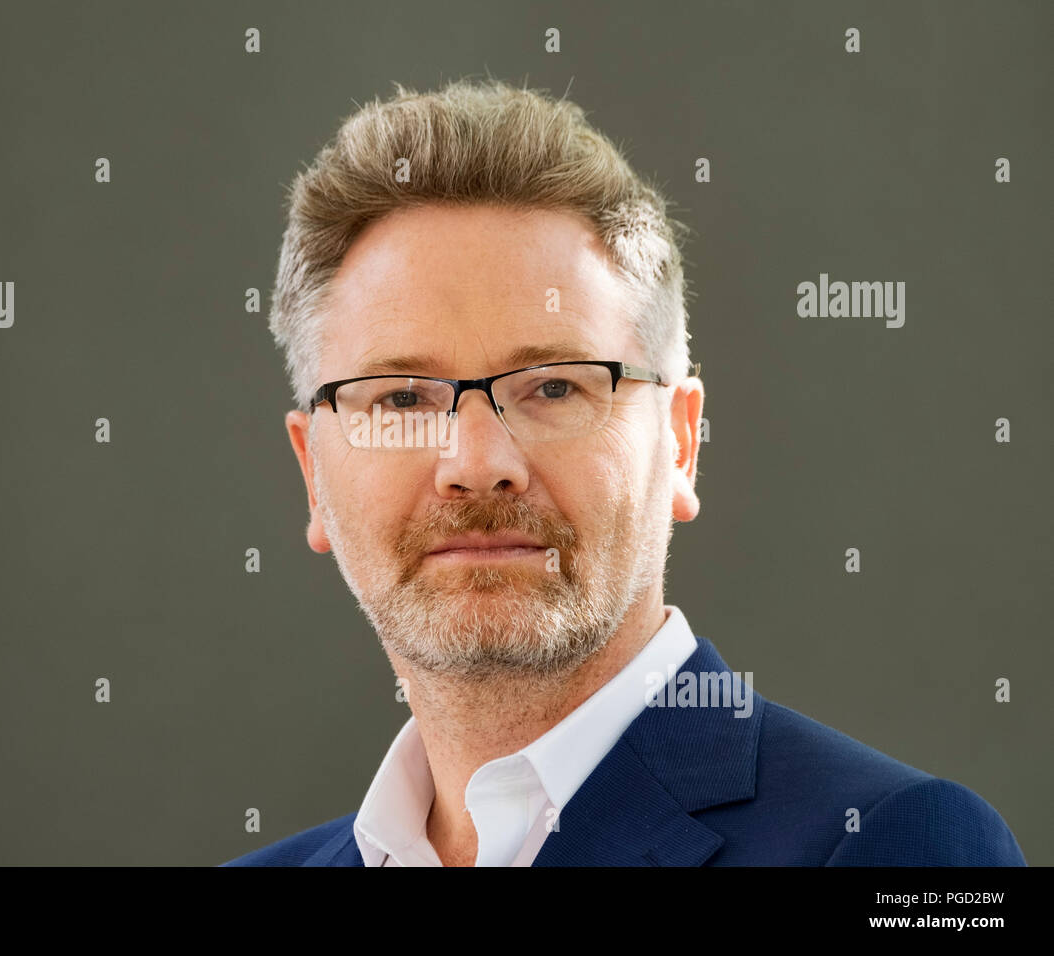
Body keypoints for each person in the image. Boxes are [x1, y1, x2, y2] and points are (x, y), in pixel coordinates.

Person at [223, 78, 1025, 866]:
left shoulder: (901, 847)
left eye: (554, 387)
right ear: (313, 473)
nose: (475, 465)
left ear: (681, 441)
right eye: (402, 396)